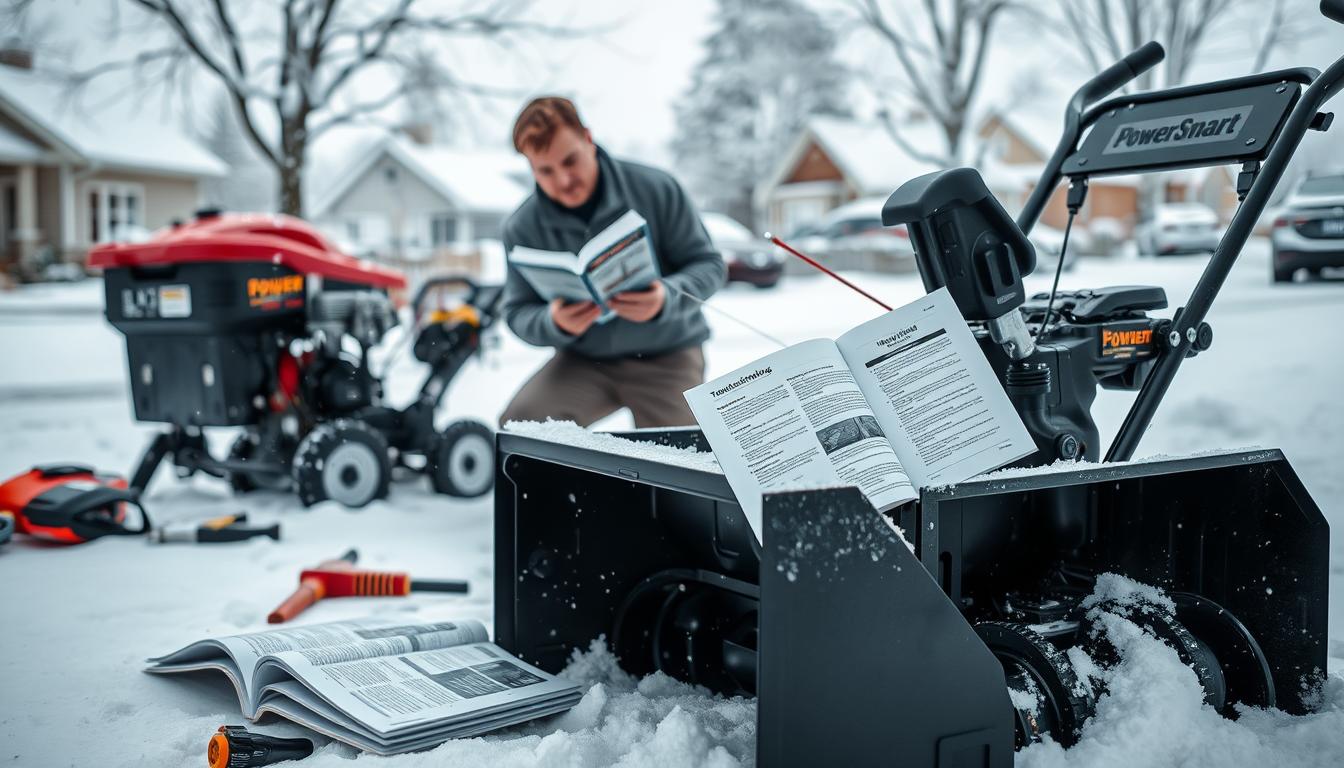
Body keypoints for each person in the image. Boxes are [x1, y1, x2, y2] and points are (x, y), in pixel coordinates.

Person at [498, 96, 726, 428]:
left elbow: (709, 266)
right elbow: (517, 313)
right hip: (584, 362)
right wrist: (554, 321)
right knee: (522, 429)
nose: (563, 181)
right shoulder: (521, 227)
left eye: (570, 161)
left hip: (669, 356)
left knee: (685, 459)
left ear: (588, 139)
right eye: (545, 171)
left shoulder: (657, 188)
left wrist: (665, 297)